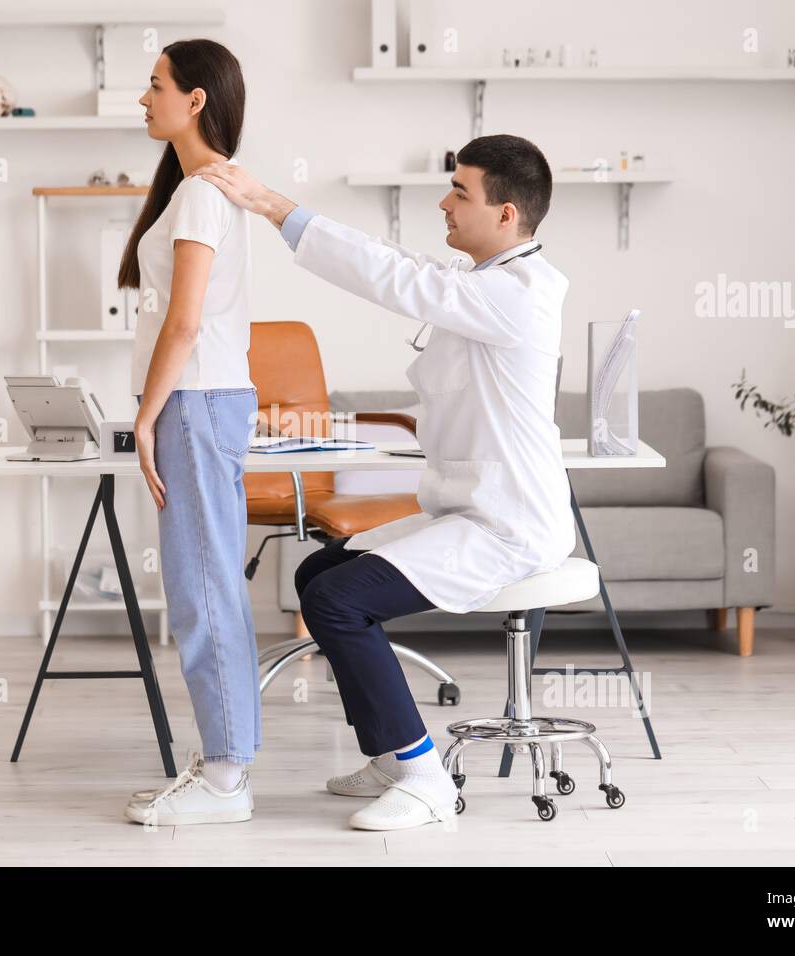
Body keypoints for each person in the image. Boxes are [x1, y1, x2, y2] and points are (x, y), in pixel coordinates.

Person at [196, 134, 577, 831]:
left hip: (509, 527)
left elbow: (393, 278)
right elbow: (404, 268)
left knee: (339, 601)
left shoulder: (518, 293)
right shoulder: (484, 284)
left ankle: (425, 778)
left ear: (507, 215)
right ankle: (390, 756)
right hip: (467, 510)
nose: (445, 201)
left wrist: (275, 206)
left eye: (460, 192)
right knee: (317, 575)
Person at [120, 39, 260, 827]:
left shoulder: (205, 193)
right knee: (199, 588)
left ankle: (227, 780)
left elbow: (186, 320)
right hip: (198, 402)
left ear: (196, 98)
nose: (145, 99)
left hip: (194, 402)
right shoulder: (196, 190)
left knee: (204, 591)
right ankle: (221, 766)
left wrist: (145, 417)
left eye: (155, 85)